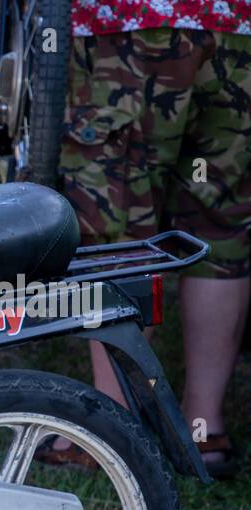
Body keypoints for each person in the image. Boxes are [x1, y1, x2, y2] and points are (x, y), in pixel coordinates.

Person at [54, 1, 251, 476]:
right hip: (239, 29)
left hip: (129, 24)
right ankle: (204, 429)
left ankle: (114, 423)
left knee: (119, 225)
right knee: (220, 225)